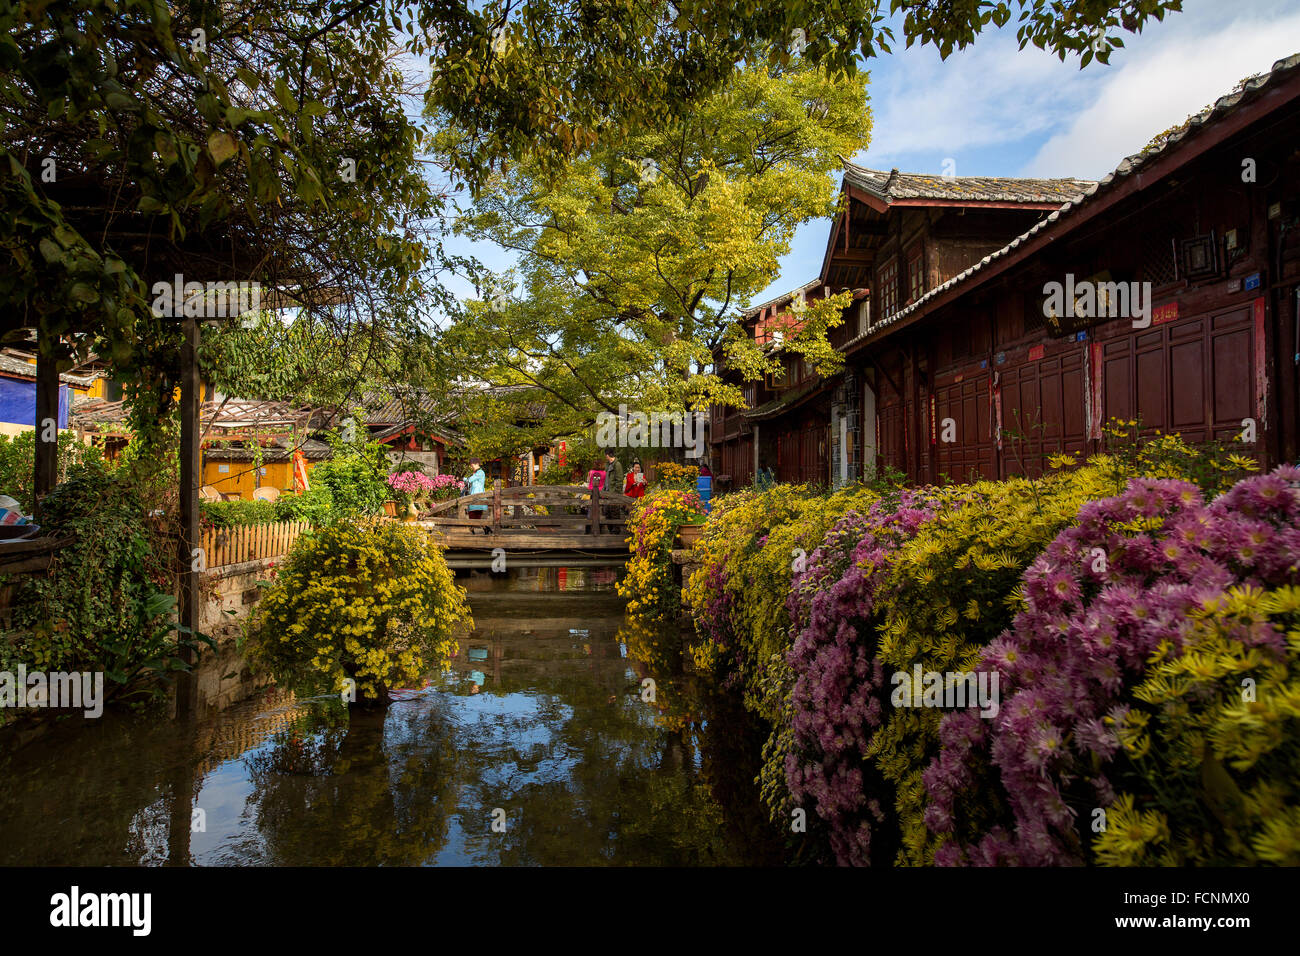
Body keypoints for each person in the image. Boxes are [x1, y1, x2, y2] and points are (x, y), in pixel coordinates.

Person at [465, 457, 487, 533]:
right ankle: (484, 528)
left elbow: (470, 480)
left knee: (474, 513)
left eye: (472, 465)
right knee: (474, 514)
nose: (472, 467)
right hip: (475, 495)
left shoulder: (480, 473)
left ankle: (474, 529)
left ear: (477, 464)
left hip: (478, 496)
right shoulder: (477, 473)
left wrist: (463, 479)